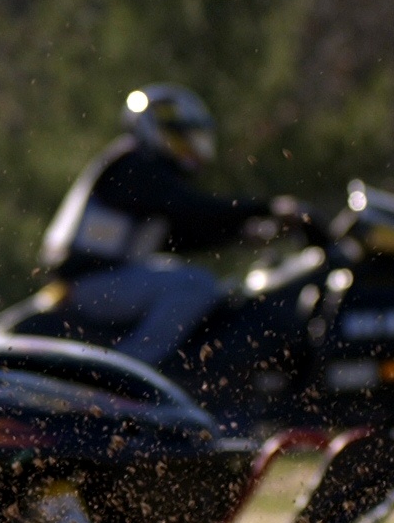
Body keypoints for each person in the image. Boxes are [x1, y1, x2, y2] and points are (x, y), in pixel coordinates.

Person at [38, 85, 307, 365]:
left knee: (199, 282)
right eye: (183, 136)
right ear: (159, 131)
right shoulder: (134, 164)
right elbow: (193, 209)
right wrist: (269, 208)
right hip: (91, 284)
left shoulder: (138, 170)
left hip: (99, 281)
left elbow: (184, 236)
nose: (192, 146)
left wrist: (244, 233)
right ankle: (130, 369)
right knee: (196, 285)